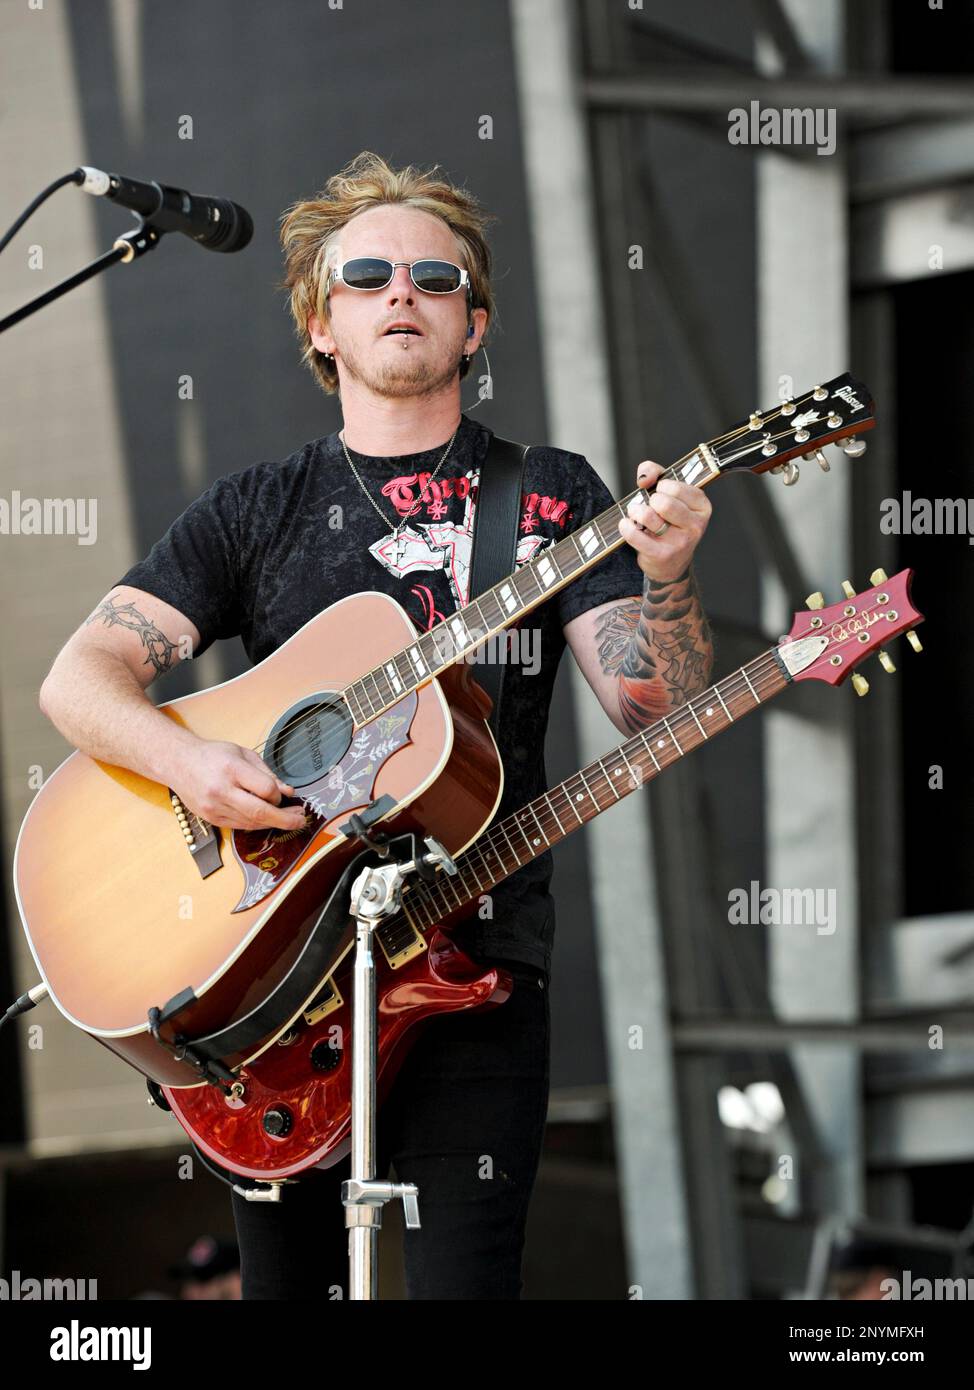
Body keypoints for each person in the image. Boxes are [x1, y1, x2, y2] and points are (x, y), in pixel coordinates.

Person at [38, 151, 714, 1299]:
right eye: (367, 275)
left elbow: (650, 702)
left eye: (433, 280)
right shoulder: (256, 507)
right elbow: (80, 677)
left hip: (475, 962)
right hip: (270, 977)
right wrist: (192, 765)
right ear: (320, 321)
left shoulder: (549, 495)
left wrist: (670, 576)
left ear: (474, 322)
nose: (402, 293)